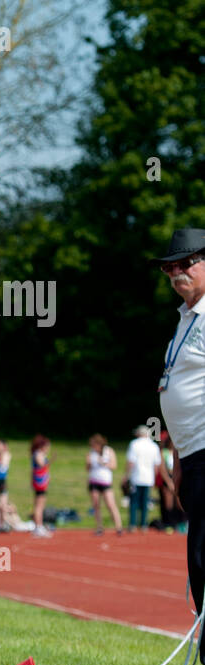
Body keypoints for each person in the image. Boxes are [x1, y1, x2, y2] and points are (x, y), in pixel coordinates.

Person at [156, 228, 205, 619]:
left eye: (185, 263)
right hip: (191, 455)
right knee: (198, 558)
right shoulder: (185, 318)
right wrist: (177, 457)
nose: (176, 273)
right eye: (169, 267)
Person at [125, 425, 160, 533]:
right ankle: (144, 524)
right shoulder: (154, 446)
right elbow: (156, 465)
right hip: (148, 478)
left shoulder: (134, 444)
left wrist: (126, 475)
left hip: (136, 477)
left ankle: (132, 524)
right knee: (145, 502)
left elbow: (131, 462)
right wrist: (155, 478)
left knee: (134, 501)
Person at [86, 433, 122, 535]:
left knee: (111, 504)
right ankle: (99, 527)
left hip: (105, 482)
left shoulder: (109, 451)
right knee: (96, 505)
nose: (93, 447)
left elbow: (114, 465)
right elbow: (87, 468)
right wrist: (88, 463)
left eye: (94, 445)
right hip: (94, 482)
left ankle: (118, 526)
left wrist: (104, 463)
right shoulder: (91, 453)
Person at [158, 431, 186, 531]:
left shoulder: (180, 451)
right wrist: (169, 481)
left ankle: (182, 522)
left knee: (180, 502)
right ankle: (169, 523)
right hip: (168, 479)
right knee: (168, 503)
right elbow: (162, 469)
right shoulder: (163, 452)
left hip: (178, 478)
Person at [30, 434, 53, 538]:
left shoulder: (39, 453)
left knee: (40, 505)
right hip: (39, 482)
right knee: (39, 505)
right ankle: (38, 527)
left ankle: (38, 526)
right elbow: (42, 465)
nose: (48, 448)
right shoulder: (38, 454)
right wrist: (51, 460)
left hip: (40, 482)